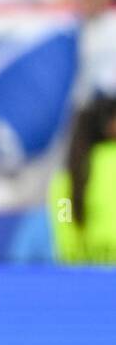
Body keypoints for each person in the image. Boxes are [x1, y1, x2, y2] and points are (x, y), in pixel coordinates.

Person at [50, 95, 116, 265]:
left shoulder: (67, 174)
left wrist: (73, 255)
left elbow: (63, 216)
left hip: (86, 268)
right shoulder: (106, 161)